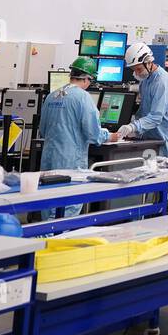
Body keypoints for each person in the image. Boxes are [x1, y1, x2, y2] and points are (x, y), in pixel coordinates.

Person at [38, 56, 109, 217]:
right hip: (70, 163)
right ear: (87, 78)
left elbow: (43, 130)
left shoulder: (52, 96)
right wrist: (108, 136)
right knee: (68, 207)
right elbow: (93, 134)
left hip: (49, 161)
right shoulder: (83, 97)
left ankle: (46, 236)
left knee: (48, 203)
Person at [114, 42, 168, 163]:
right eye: (134, 70)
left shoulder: (162, 82)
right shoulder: (145, 81)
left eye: (139, 69)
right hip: (152, 141)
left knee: (165, 176)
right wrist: (134, 129)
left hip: (165, 142)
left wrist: (133, 127)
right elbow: (144, 111)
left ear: (149, 62)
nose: (137, 73)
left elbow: (156, 117)